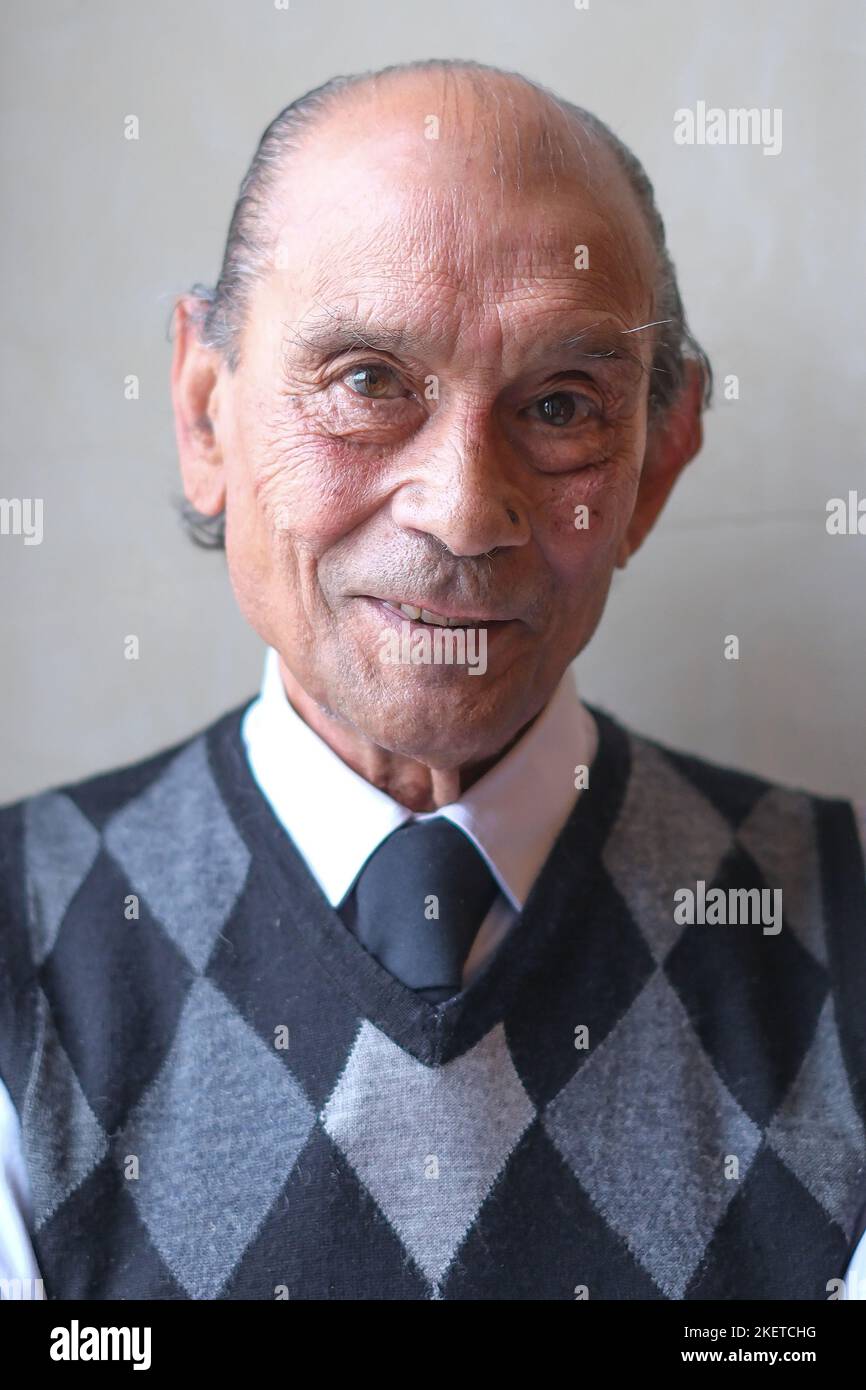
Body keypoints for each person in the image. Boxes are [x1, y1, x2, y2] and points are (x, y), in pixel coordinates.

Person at [1, 58, 864, 1301]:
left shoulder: (832, 922)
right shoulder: (23, 936)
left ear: (655, 464)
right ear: (205, 414)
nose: (462, 511)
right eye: (364, 380)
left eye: (560, 404)